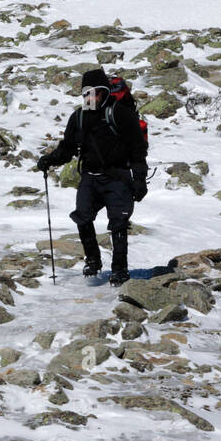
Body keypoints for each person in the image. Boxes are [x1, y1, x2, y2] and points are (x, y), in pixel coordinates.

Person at [35, 68, 148, 285]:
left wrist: (139, 179)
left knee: (118, 224)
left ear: (104, 92)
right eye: (86, 92)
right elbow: (67, 148)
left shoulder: (119, 113)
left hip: (118, 178)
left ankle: (120, 270)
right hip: (90, 177)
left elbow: (137, 149)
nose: (90, 97)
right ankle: (93, 261)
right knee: (82, 216)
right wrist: (50, 160)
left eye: (95, 92)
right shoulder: (78, 117)